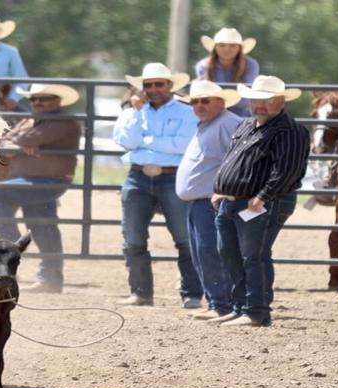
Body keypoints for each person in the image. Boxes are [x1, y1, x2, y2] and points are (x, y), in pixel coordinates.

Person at [210, 75, 308, 327]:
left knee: (254, 255)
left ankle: (256, 310)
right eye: (256, 100)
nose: (260, 105)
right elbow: (232, 159)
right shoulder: (246, 125)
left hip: (263, 202)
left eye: (267, 100)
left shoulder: (290, 130)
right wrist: (220, 188)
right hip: (234, 201)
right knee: (229, 252)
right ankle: (241, 306)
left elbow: (288, 170)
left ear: (280, 101)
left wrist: (264, 196)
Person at [113, 62, 200, 307]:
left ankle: (192, 293)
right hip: (138, 176)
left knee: (185, 238)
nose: (153, 89)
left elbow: (182, 145)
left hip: (172, 176)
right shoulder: (133, 111)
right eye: (148, 85)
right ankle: (141, 293)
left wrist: (146, 142)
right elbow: (127, 141)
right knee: (133, 237)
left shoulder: (186, 110)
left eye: (158, 84)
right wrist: (136, 112)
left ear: (170, 86)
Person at [0, 83, 81, 293]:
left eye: (44, 98)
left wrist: (18, 144)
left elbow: (23, 138)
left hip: (48, 180)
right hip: (32, 181)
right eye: (34, 99)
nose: (38, 103)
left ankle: (13, 247)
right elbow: (3, 139)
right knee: (43, 226)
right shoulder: (31, 119)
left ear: (57, 100)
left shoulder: (63, 121)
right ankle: (51, 279)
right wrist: (19, 146)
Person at [173, 80, 241, 320]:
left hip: (211, 201)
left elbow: (242, 158)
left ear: (220, 103)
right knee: (203, 252)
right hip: (199, 201)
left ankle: (222, 304)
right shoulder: (211, 125)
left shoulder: (229, 124)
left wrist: (227, 188)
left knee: (211, 251)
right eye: (195, 101)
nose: (199, 105)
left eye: (205, 100)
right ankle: (216, 301)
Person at [193, 28, 257, 117]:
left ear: (239, 48)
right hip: (212, 115)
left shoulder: (250, 65)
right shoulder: (203, 66)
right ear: (215, 48)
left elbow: (245, 99)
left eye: (232, 45)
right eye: (222, 45)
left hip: (242, 116)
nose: (227, 49)